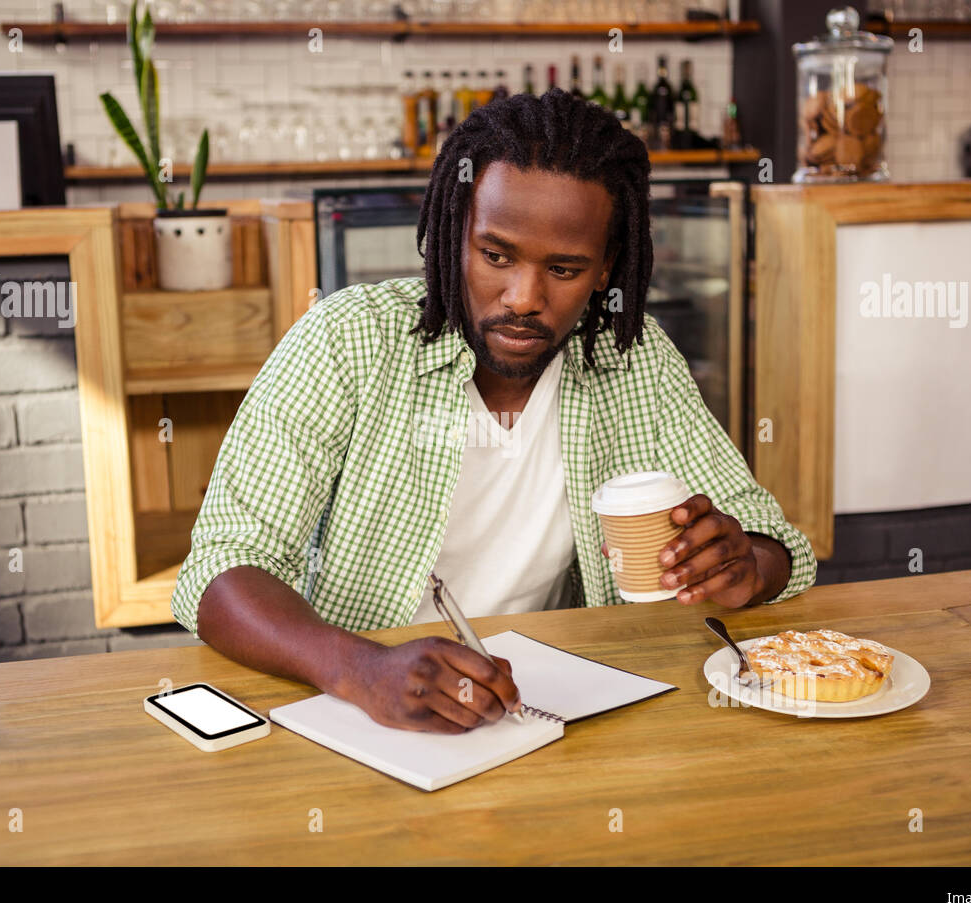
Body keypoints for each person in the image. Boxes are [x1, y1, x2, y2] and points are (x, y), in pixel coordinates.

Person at [172, 89, 816, 735]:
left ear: (605, 271)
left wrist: (742, 567)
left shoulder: (631, 359)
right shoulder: (348, 340)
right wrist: (361, 669)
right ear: (454, 235)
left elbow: (769, 542)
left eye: (564, 268)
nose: (524, 298)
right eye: (496, 255)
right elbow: (223, 566)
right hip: (357, 709)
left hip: (554, 706)